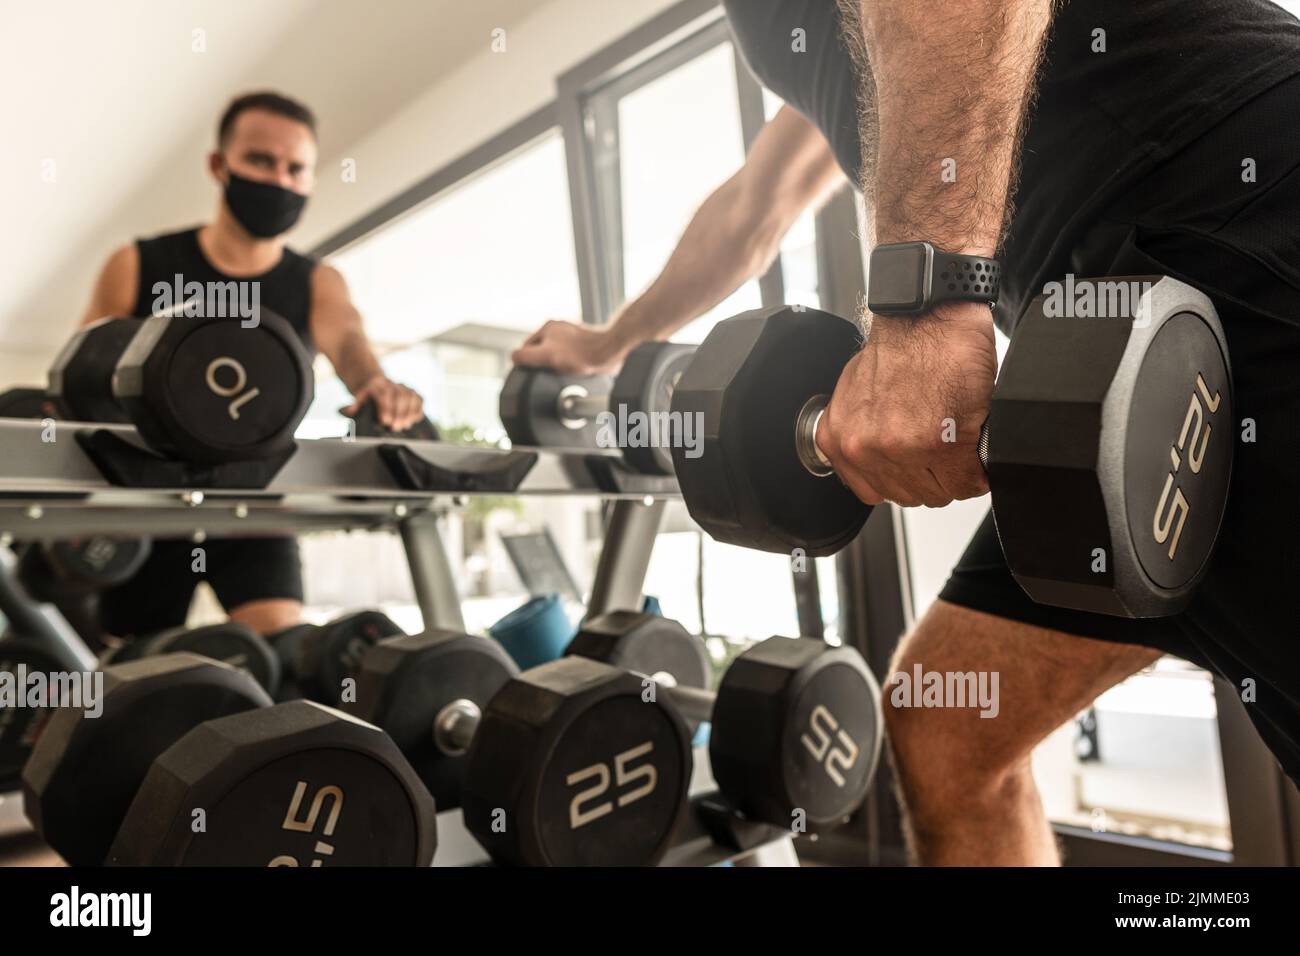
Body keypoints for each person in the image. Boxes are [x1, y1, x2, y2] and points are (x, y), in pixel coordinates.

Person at [513, 0, 1300, 864]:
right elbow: (754, 209)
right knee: (950, 727)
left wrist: (926, 304)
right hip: (1098, 343)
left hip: (1233, 212)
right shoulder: (841, 39)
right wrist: (612, 341)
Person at [77, 91, 424, 638]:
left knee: (284, 659)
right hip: (142, 501)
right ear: (219, 165)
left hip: (253, 502)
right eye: (261, 161)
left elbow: (350, 338)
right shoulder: (140, 263)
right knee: (127, 678)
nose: (280, 181)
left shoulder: (315, 282)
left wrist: (374, 384)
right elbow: (80, 377)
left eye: (296, 169)